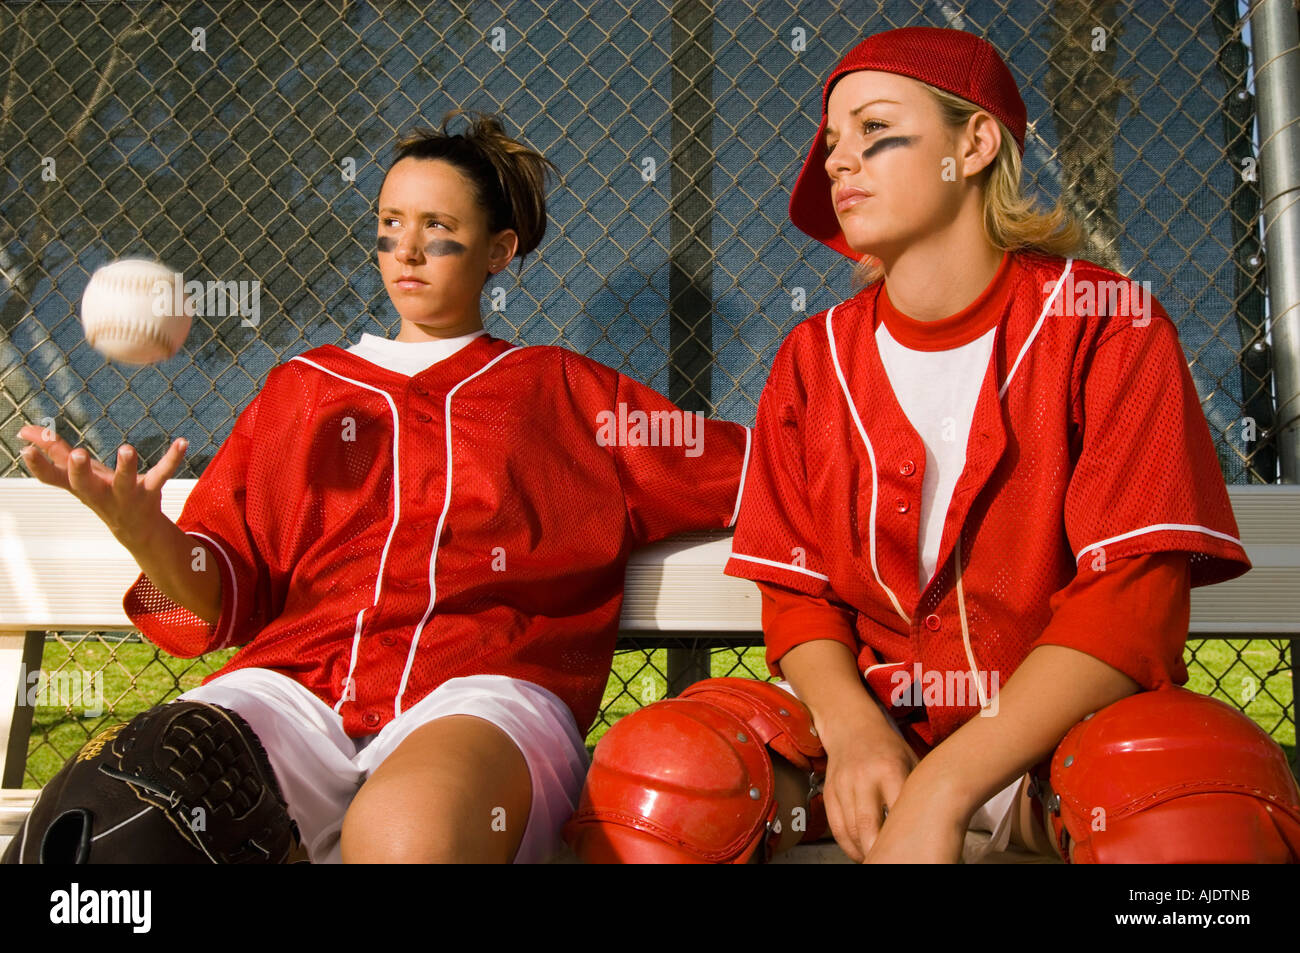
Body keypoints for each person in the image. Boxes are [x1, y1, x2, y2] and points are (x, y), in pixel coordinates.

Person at [564, 26, 1300, 864]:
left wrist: (947, 786)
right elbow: (799, 594)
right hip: (863, 743)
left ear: (976, 142)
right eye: (832, 143)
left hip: (1055, 743)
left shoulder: (1104, 320)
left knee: (1193, 803)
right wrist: (852, 733)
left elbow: (1132, 598)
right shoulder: (814, 355)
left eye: (876, 131)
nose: (839, 161)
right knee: (658, 789)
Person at [9, 111, 751, 865]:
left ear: (499, 249)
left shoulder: (565, 393)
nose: (409, 248)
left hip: (482, 694)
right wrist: (146, 532)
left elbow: (766, 471)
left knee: (407, 840)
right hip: (294, 690)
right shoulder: (304, 390)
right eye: (391, 222)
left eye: (438, 225)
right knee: (105, 825)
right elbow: (218, 594)